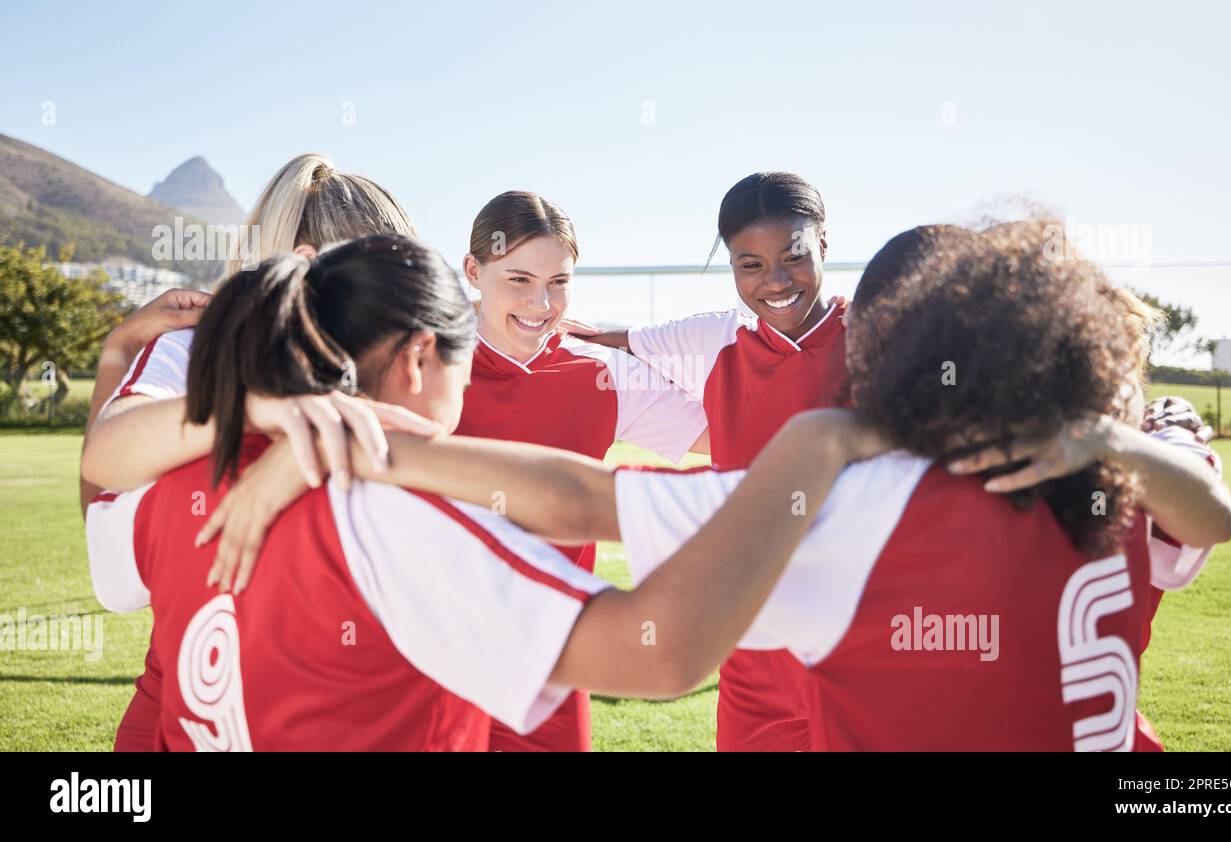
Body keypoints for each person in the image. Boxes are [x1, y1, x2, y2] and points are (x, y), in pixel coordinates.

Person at [195, 220, 1231, 749]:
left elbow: (588, 507)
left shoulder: (853, 504)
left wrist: (383, 445)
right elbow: (1210, 515)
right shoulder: (1111, 467)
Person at [85, 234, 883, 751]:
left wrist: (119, 359)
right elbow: (663, 648)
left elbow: (104, 539)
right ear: (422, 357)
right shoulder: (403, 526)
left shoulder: (182, 487)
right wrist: (820, 443)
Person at [80, 152, 427, 752]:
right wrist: (245, 403)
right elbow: (109, 467)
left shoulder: (405, 366)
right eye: (386, 274)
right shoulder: (194, 350)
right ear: (306, 265)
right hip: (191, 716)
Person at [566, 171, 848, 751]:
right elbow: (598, 342)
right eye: (751, 265)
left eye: (793, 257)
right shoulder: (716, 339)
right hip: (751, 637)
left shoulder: (877, 336)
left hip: (855, 635)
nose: (775, 281)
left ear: (823, 244)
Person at [456, 191, 707, 749]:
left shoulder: (602, 373)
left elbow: (731, 436)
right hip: (435, 654)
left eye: (560, 282)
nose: (542, 302)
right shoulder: (423, 360)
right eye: (518, 279)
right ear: (474, 270)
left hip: (553, 661)